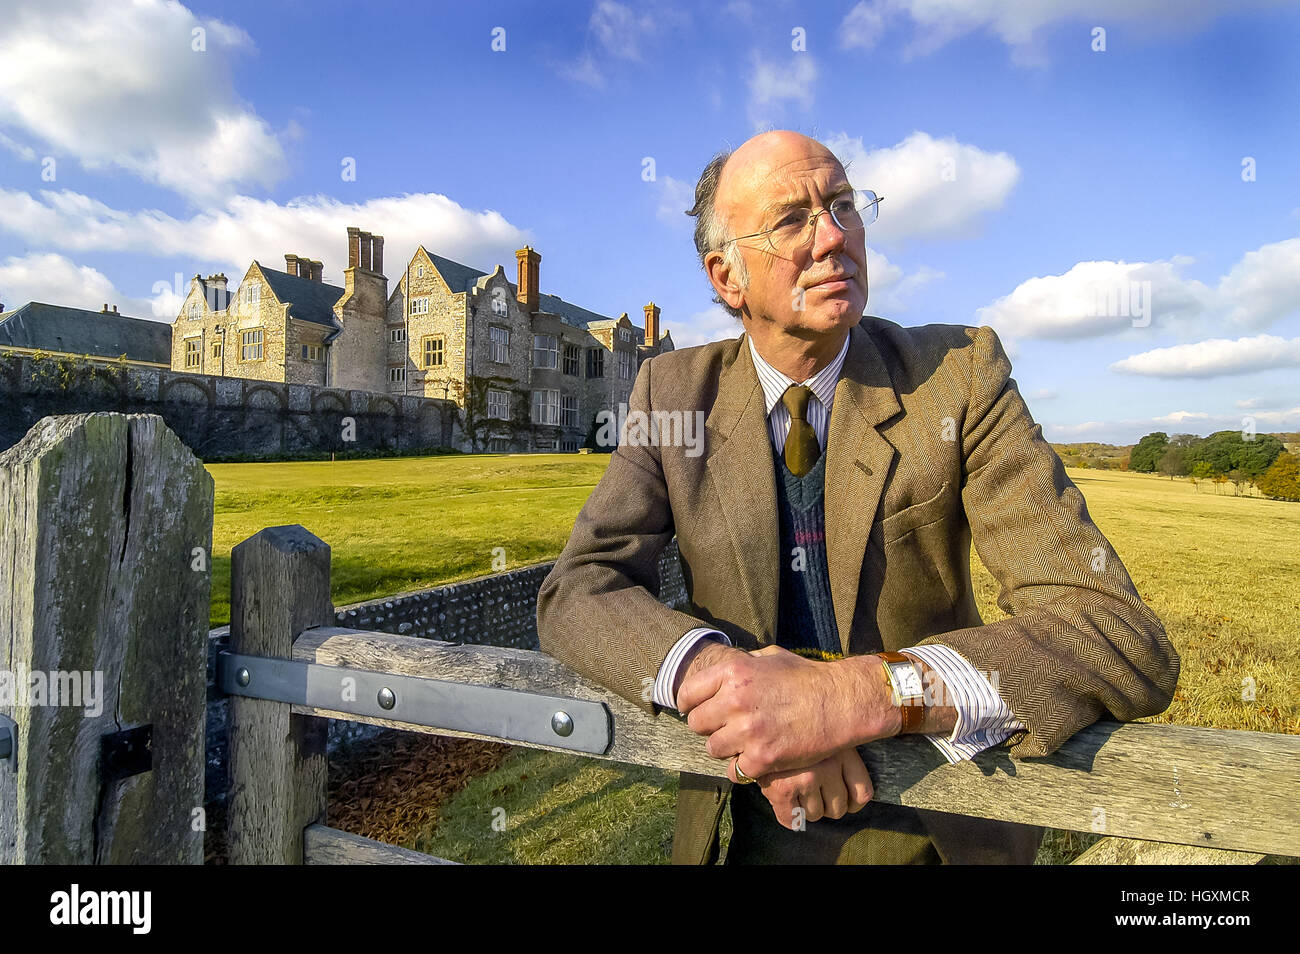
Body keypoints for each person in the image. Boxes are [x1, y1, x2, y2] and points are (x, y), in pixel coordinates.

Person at [536, 130, 1179, 864]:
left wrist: (855, 698)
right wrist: (731, 686)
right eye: (792, 220)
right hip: (748, 822)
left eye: (844, 205)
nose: (834, 236)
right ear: (727, 277)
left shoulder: (960, 376)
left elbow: (1117, 632)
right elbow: (580, 589)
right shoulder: (673, 393)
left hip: (944, 820)